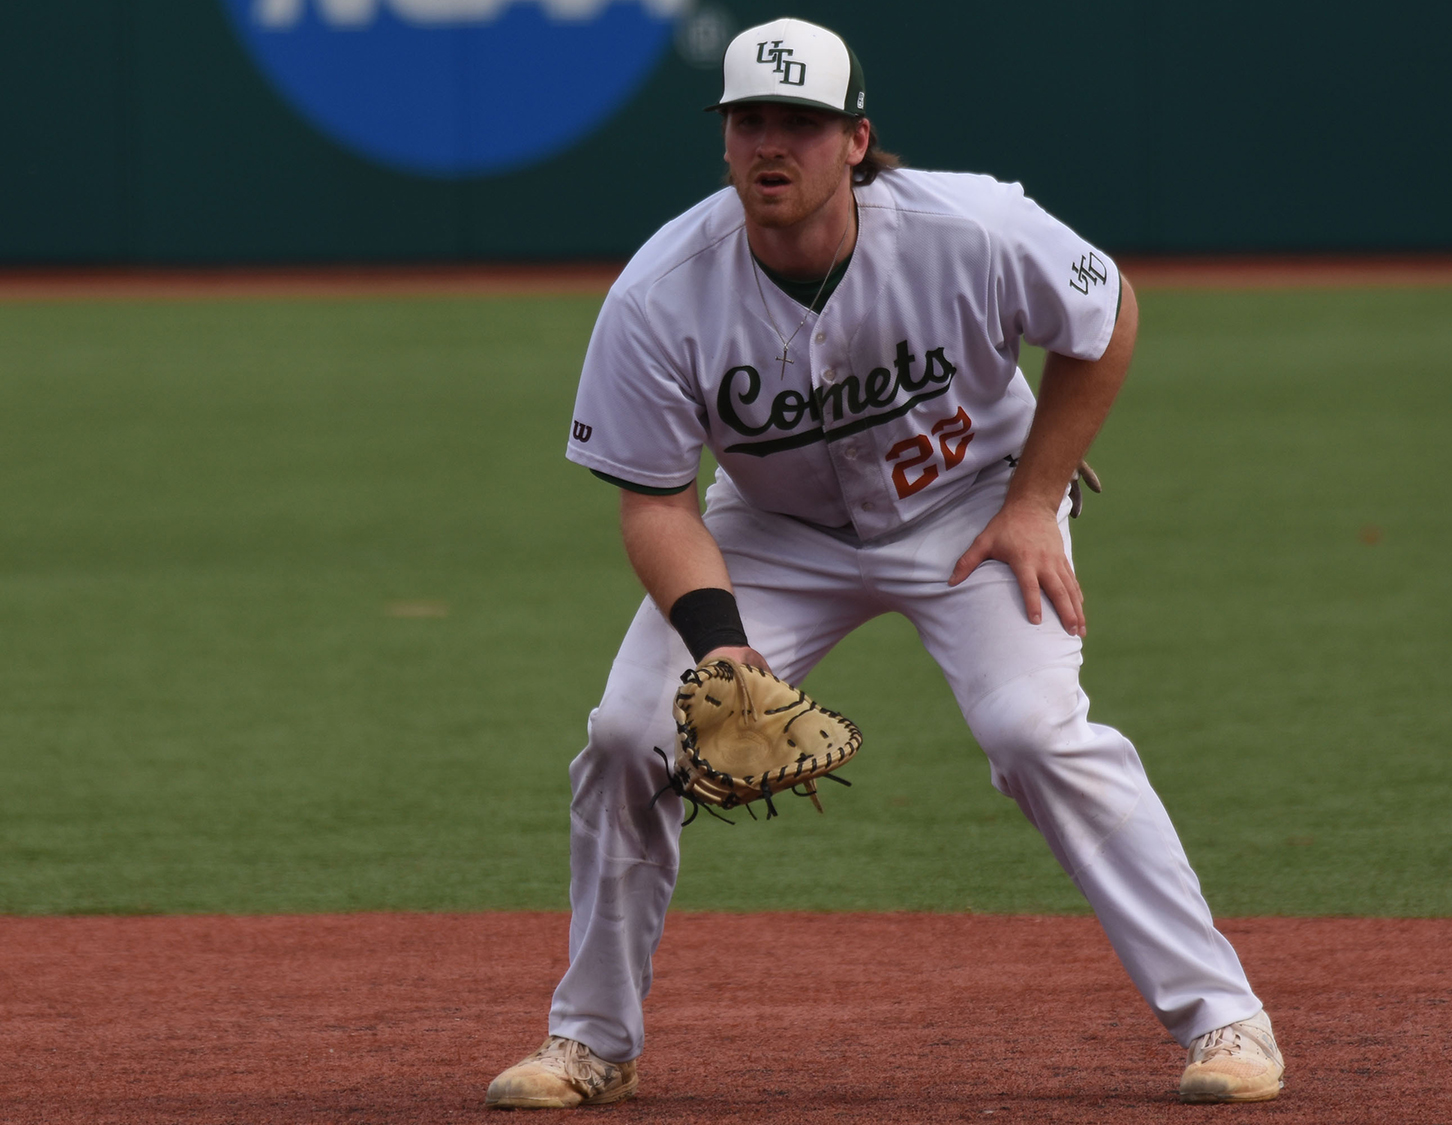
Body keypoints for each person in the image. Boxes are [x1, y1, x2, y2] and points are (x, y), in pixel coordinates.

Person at [484, 17, 1284, 1109]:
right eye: (750, 121)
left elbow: (1105, 318)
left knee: (1035, 733)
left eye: (801, 124)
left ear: (856, 140)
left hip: (972, 506)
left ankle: (1223, 1021)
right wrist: (725, 658)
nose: (774, 145)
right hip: (773, 533)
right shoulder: (659, 291)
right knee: (630, 737)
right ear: (722, 140)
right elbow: (657, 502)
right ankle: (589, 1042)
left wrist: (1036, 499)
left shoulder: (972, 225)